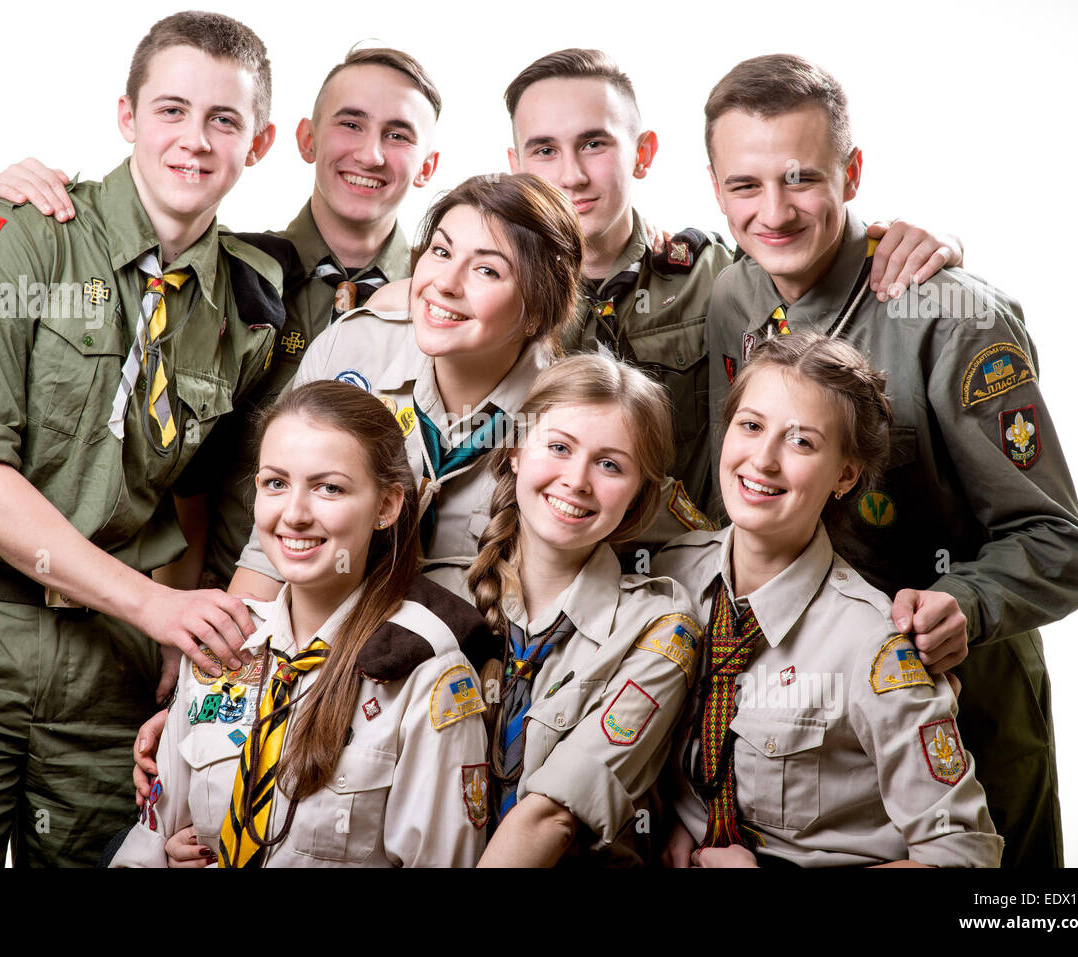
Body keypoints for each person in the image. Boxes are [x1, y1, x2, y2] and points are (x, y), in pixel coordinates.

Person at [0, 11, 282, 867]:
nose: (194, 142)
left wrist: (172, 631)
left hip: (111, 668)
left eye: (224, 120)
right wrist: (155, 605)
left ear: (262, 142)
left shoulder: (251, 300)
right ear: (125, 117)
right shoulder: (17, 237)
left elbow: (198, 485)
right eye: (171, 110)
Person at [697, 54, 1078, 866]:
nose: (772, 212)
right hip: (801, 724)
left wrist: (964, 602)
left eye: (801, 179)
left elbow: (1066, 550)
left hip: (962, 705)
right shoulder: (732, 299)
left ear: (853, 172)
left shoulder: (951, 318)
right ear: (713, 185)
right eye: (744, 186)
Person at [132, 170, 584, 811]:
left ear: (538, 305)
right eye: (440, 251)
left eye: (487, 271)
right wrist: (209, 701)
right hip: (310, 680)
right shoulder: (358, 344)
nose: (445, 284)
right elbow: (276, 543)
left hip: (453, 711)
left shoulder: (564, 422)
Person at [0, 46, 443, 594]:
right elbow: (176, 479)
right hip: (234, 611)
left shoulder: (453, 302)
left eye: (399, 135)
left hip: (390, 613)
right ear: (305, 139)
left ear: (428, 165)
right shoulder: (222, 277)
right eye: (350, 124)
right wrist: (11, 214)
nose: (371, 154)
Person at [500, 48, 966, 521]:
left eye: (595, 144)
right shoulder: (484, 291)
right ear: (516, 164)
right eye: (545, 150)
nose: (572, 176)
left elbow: (801, 246)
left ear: (642, 153)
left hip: (694, 567)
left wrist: (933, 244)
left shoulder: (714, 274)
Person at [657, 332, 1003, 867]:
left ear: (846, 474)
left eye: (801, 442)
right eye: (750, 426)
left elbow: (964, 857)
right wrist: (674, 821)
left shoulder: (872, 647)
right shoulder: (668, 576)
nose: (763, 460)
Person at [112, 380, 491, 867]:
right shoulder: (224, 644)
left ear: (386, 506)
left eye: (329, 488)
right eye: (275, 483)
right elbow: (148, 845)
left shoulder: (426, 675)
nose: (294, 514)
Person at [423, 353, 702, 867]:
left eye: (610, 464)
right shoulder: (433, 593)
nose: (577, 480)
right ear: (514, 452)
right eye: (558, 447)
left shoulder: (659, 626)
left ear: (639, 496)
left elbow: (551, 818)